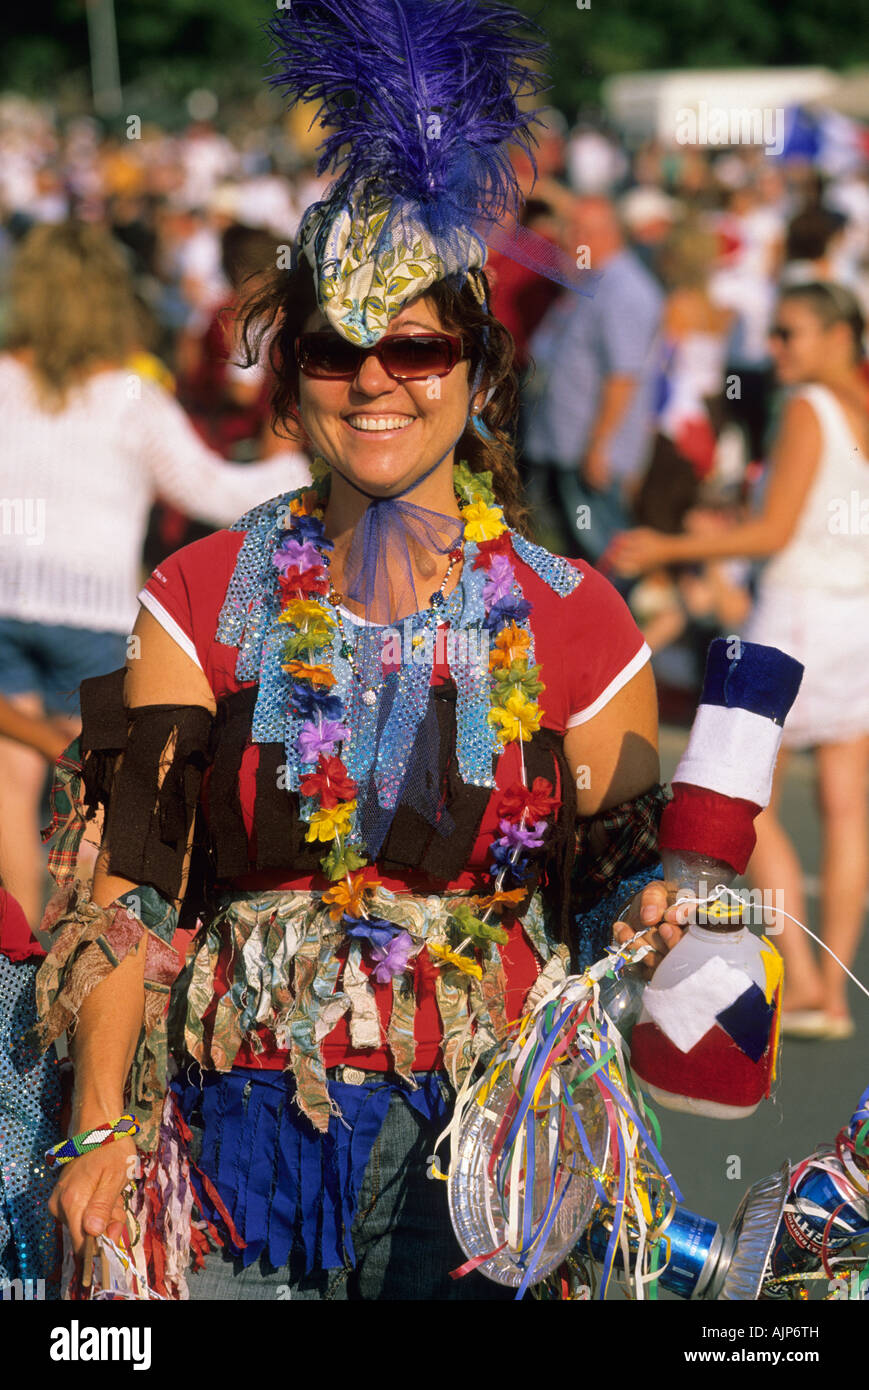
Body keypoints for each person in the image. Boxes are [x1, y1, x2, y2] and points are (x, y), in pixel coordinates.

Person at [35, 0, 686, 1302]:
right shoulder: (199, 591)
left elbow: (621, 876)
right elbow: (132, 895)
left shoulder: (577, 614)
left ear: (477, 375)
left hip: (483, 1152)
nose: (374, 380)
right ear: (290, 380)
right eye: (335, 349)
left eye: (416, 346)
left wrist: (672, 913)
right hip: (235, 1141)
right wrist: (99, 1121)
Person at [0, 221, 309, 925]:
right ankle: (81, 964)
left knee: (10, 792)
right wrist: (305, 464)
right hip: (98, 618)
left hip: (4, 608)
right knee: (100, 800)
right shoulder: (132, 396)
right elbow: (209, 490)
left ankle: (13, 967)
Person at [606, 281, 869, 1040]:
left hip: (793, 618)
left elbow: (771, 533)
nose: (775, 348)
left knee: (742, 797)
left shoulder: (808, 411)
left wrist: (669, 545)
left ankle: (806, 972)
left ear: (835, 337)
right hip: (855, 618)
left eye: (789, 334)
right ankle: (831, 986)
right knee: (845, 809)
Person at [522, 194, 664, 566]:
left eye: (579, 230)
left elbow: (623, 376)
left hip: (590, 451)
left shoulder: (626, 289)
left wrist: (600, 445)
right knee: (569, 550)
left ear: (607, 234)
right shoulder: (591, 280)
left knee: (602, 552)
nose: (568, 238)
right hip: (563, 444)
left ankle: (624, 620)